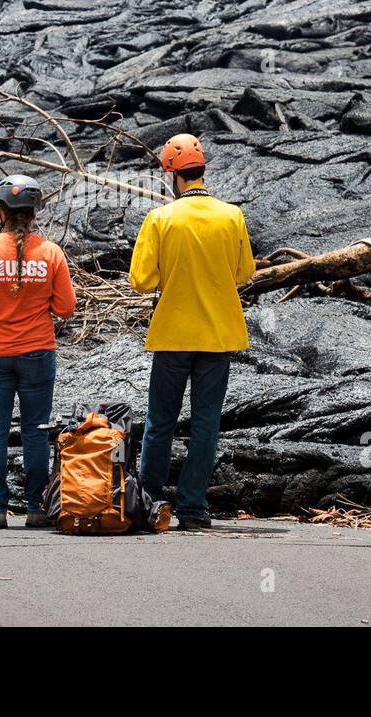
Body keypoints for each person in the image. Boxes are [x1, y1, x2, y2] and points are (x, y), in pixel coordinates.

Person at [128, 134, 254, 530]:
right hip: (218, 336)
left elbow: (141, 281)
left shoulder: (161, 219)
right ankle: (194, 508)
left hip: (173, 336)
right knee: (205, 424)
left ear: (170, 173)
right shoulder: (231, 215)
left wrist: (173, 275)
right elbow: (244, 273)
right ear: (202, 170)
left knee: (160, 422)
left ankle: (148, 502)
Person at [0, 173, 76, 529]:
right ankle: (36, 509)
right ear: (34, 212)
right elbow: (66, 307)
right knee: (36, 431)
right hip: (38, 352)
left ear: (0, 213)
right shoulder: (51, 253)